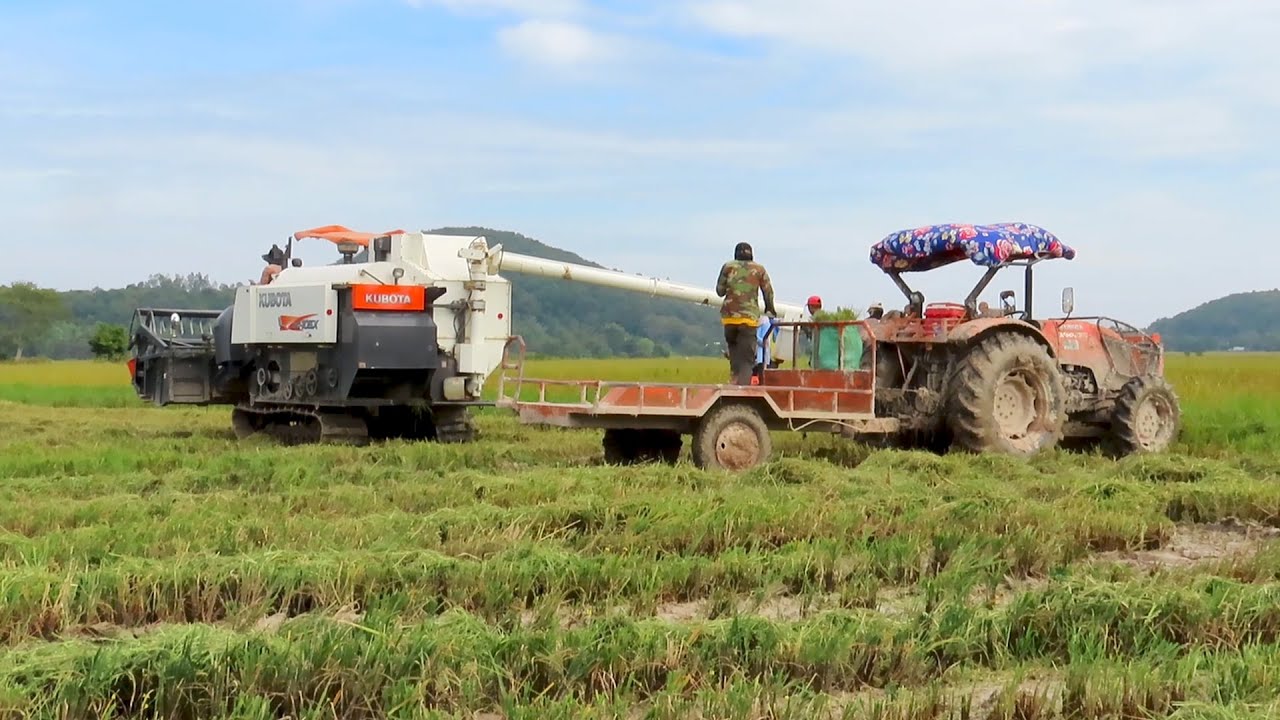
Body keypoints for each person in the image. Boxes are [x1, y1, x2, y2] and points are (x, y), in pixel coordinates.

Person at [716, 242, 776, 385]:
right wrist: (770, 308)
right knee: (747, 361)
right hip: (748, 319)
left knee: (735, 354)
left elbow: (720, 291)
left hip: (729, 319)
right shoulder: (759, 269)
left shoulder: (728, 267)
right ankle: (742, 390)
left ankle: (734, 381)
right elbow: (768, 292)